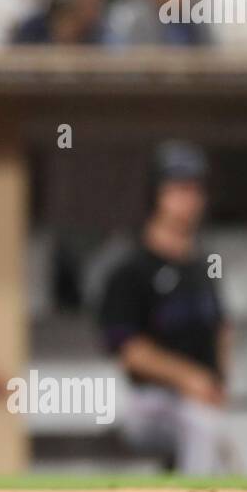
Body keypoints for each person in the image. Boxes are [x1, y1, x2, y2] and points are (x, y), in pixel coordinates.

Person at [98, 141, 231, 474]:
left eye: (195, 190)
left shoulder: (202, 266)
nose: (190, 200)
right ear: (158, 194)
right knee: (200, 426)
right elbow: (129, 350)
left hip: (197, 401)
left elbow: (221, 327)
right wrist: (190, 378)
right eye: (180, 189)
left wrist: (218, 381)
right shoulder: (132, 267)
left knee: (220, 450)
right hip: (147, 403)